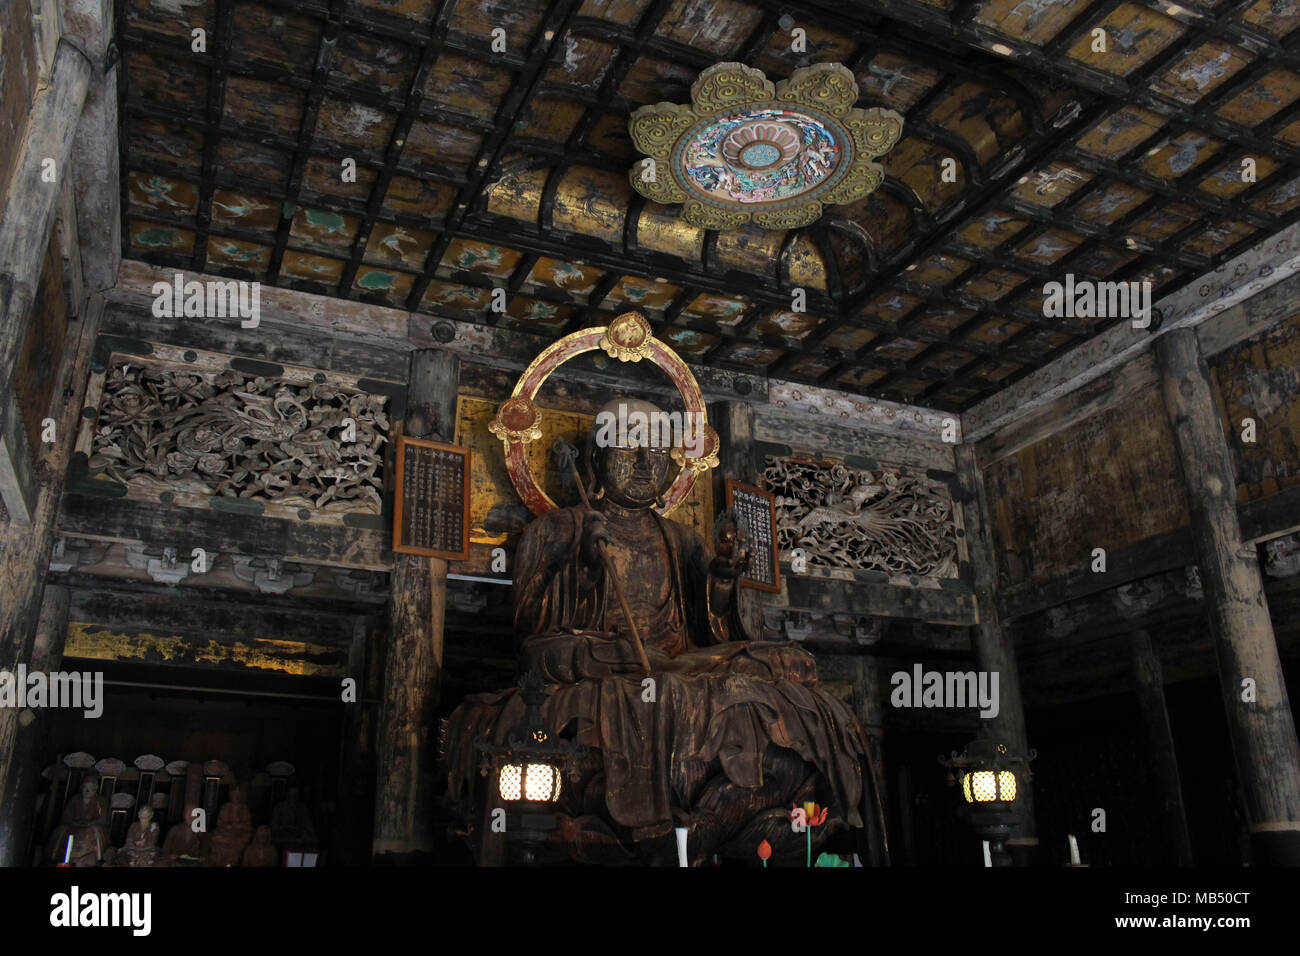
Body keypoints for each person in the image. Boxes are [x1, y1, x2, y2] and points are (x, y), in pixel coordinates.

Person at [447, 398, 877, 864]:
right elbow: (529, 635)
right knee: (631, 679)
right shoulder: (557, 529)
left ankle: (714, 783)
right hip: (602, 658)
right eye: (628, 449)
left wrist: (723, 582)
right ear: (595, 460)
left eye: (657, 452)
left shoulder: (683, 539)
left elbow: (708, 633)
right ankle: (664, 798)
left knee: (782, 662)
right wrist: (584, 570)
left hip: (679, 661)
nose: (644, 463)